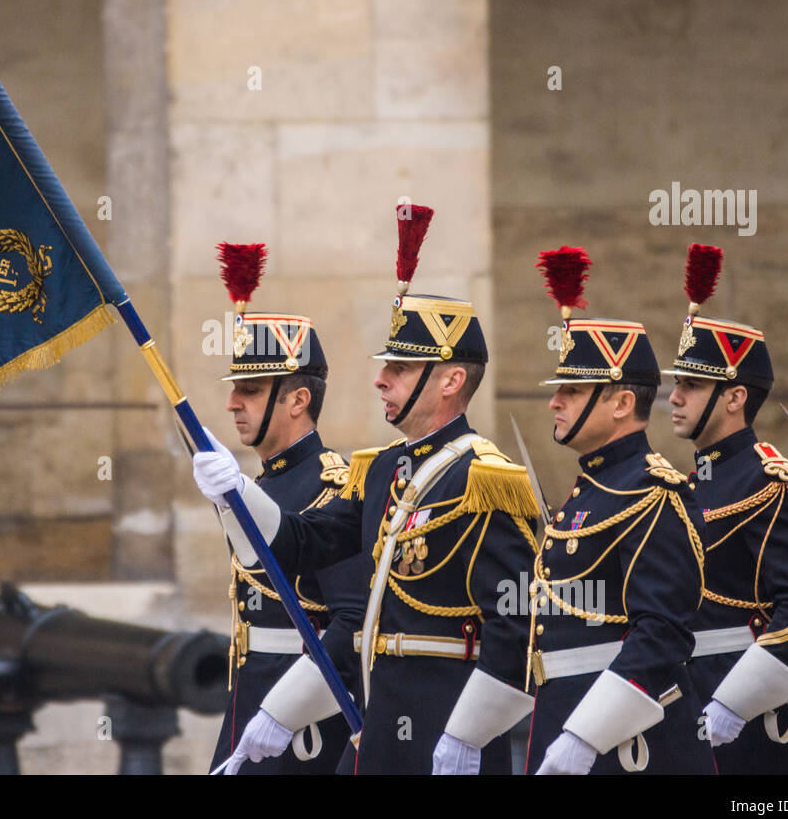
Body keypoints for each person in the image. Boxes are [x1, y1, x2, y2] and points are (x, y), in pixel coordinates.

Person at [194, 205, 538, 774]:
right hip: (383, 726)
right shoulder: (382, 472)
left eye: (399, 368)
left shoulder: (484, 478)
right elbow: (300, 546)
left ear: (451, 380)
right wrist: (235, 491)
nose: (380, 378)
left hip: (449, 721)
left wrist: (469, 735)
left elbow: (518, 621)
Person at [527, 246, 716, 775]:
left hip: (624, 738)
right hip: (566, 711)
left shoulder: (653, 492)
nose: (555, 402)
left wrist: (585, 737)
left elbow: (661, 629)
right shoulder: (594, 487)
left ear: (621, 403)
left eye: (572, 389)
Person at [664, 244, 788, 774]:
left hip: (761, 717)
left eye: (692, 385)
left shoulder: (770, 479)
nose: (674, 396)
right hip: (697, 700)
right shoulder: (693, 484)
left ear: (734, 397)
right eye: (677, 383)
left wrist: (735, 701)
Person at [207, 242, 358, 775]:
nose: (232, 403)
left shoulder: (335, 486)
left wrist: (283, 714)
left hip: (304, 726)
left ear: (297, 400)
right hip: (250, 699)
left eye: (248, 391)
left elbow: (350, 624)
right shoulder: (258, 485)